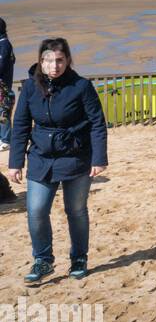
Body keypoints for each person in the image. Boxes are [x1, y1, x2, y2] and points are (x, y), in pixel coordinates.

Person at [7, 37, 108, 284]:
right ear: (41, 61)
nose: (55, 66)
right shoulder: (30, 87)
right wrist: (15, 161)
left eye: (60, 60)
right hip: (41, 157)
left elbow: (97, 123)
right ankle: (43, 260)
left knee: (75, 210)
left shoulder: (81, 86)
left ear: (68, 60)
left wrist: (99, 158)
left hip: (75, 156)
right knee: (36, 210)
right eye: (49, 60)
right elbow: (20, 125)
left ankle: (79, 258)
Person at [0, 17, 13, 152]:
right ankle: (2, 137)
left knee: (3, 110)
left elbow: (2, 65)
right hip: (3, 84)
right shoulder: (3, 43)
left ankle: (5, 139)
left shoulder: (4, 45)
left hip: (3, 84)